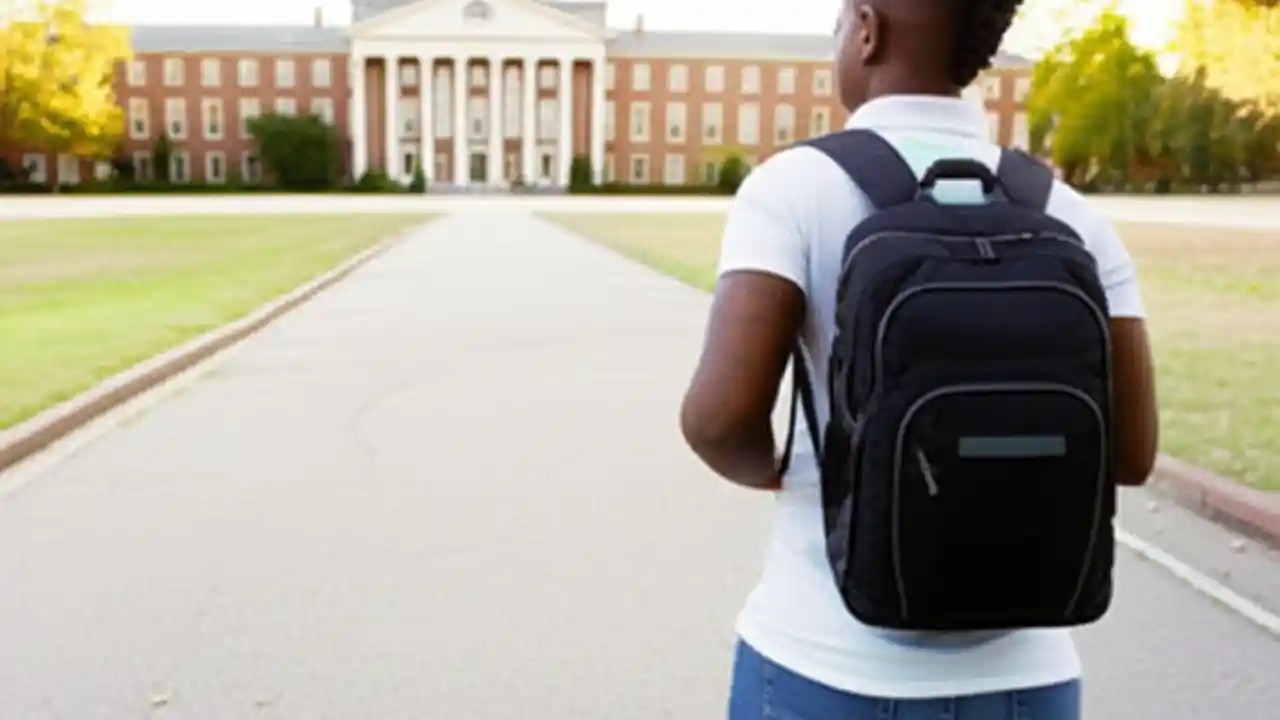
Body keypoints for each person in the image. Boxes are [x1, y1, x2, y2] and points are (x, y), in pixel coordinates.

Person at [679, 0, 1160, 718]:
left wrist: (782, 472)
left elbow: (717, 422)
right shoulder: (1067, 211)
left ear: (867, 29)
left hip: (827, 660)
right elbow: (1132, 456)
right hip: (1027, 679)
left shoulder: (793, 187)